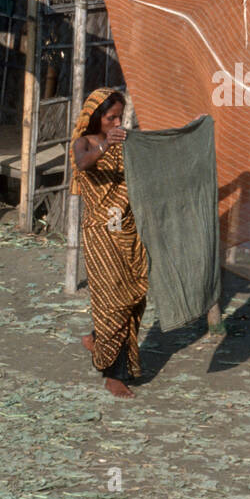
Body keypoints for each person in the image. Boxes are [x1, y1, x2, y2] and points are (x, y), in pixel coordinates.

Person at [71, 88, 148, 398]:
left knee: (134, 296)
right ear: (94, 117)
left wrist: (186, 135)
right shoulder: (85, 143)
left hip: (128, 230)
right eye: (109, 117)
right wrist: (105, 144)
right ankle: (112, 373)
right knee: (112, 301)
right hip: (101, 233)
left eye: (119, 116)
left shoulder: (125, 142)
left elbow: (153, 153)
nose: (116, 122)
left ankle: (96, 336)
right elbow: (84, 162)